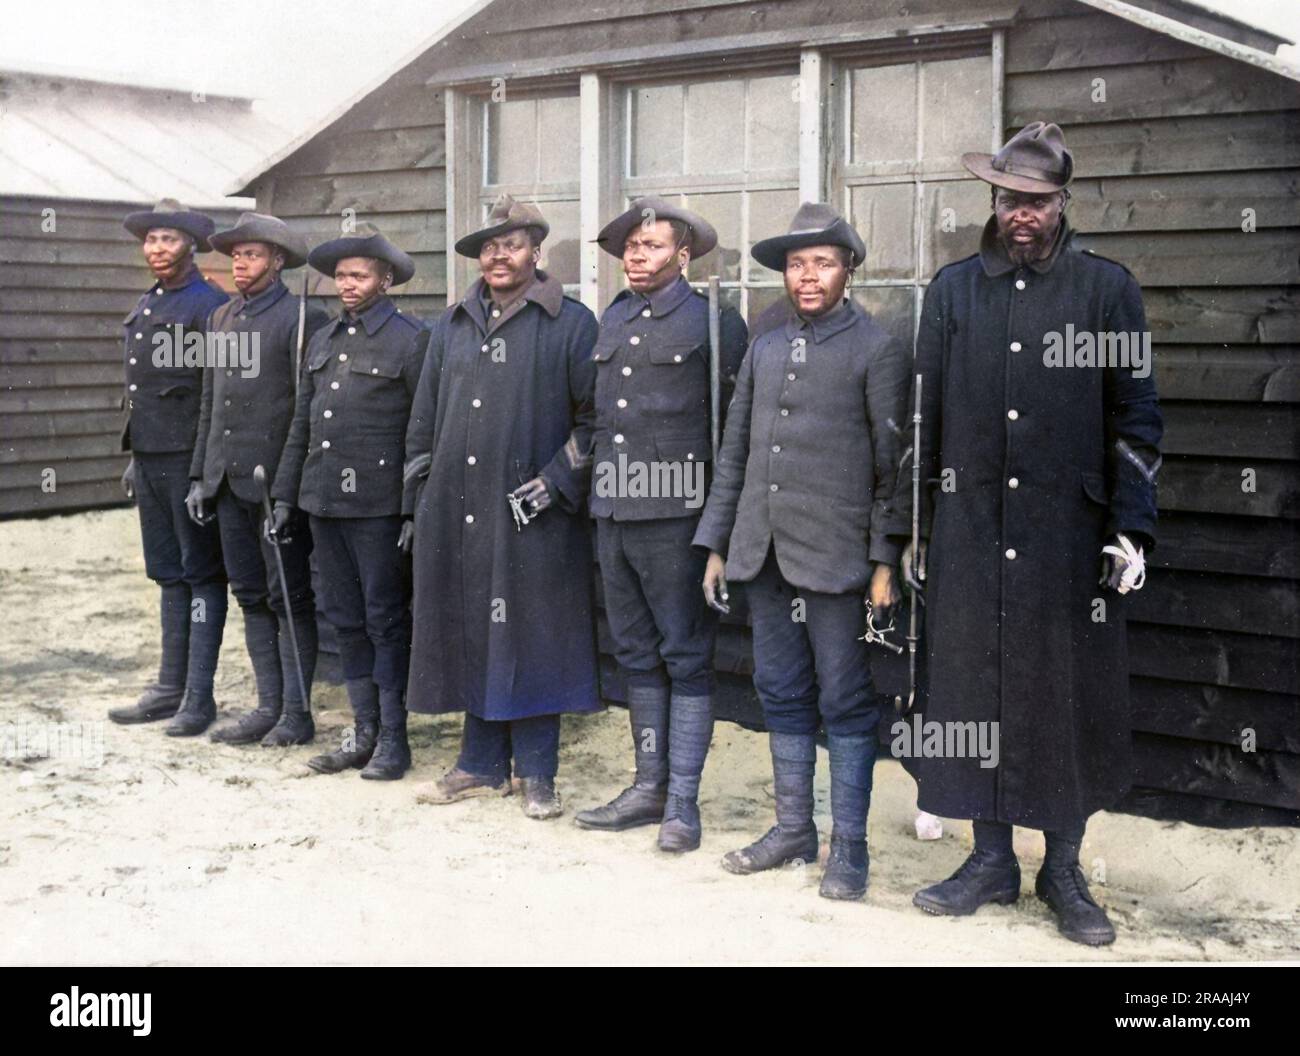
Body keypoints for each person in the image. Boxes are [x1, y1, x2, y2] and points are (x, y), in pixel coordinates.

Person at [897, 122, 1162, 946]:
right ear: (994, 200)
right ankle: (989, 862)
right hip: (971, 529)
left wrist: (1130, 528)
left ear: (1062, 205)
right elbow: (923, 418)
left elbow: (1137, 419)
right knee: (974, 691)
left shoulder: (1104, 291)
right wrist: (917, 529)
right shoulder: (953, 292)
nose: (1022, 215)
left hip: (1067, 539)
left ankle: (1063, 868)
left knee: (1062, 698)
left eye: (1038, 202)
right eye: (1010, 199)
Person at [694, 202, 907, 900]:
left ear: (848, 269)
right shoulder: (764, 347)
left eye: (822, 262)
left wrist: (883, 562)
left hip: (838, 563)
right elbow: (737, 455)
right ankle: (793, 830)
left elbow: (891, 466)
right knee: (779, 691)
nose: (807, 276)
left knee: (845, 701)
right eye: (795, 264)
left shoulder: (875, 349)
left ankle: (849, 850)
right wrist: (719, 544)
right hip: (765, 557)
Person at [405, 195, 600, 819]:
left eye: (511, 243)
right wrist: (420, 499)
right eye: (488, 245)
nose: (498, 254)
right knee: (470, 627)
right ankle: (479, 764)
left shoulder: (571, 324)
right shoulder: (452, 326)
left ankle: (538, 773)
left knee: (534, 635)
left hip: (532, 514)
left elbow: (595, 423)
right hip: (457, 513)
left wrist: (554, 483)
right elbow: (423, 422)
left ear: (535, 251)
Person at [574, 197, 747, 852]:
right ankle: (647, 786)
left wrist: (718, 529)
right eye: (630, 246)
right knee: (637, 653)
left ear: (683, 256)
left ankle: (682, 804)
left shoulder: (715, 322)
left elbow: (736, 430)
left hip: (676, 519)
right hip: (613, 511)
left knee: (685, 655)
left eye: (650, 246)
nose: (635, 255)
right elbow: (598, 417)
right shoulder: (613, 317)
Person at [272, 226, 426, 780]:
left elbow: (421, 433)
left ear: (385, 280)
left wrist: (411, 509)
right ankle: (361, 734)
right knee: (344, 619)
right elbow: (302, 424)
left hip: (380, 508)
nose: (347, 285)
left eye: (359, 275)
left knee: (385, 619)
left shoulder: (410, 341)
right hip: (325, 503)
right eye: (340, 275)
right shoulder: (323, 339)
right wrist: (287, 497)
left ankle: (393, 740)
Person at [186, 213, 328, 743]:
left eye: (253, 254)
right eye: (236, 255)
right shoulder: (219, 318)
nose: (241, 263)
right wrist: (202, 473)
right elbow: (210, 403)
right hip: (226, 483)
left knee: (287, 593)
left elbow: (307, 412)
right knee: (249, 593)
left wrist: (289, 489)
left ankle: (297, 713)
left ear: (278, 261)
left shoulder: (300, 320)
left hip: (274, 487)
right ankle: (268, 706)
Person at [108, 200, 229, 734]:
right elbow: (143, 392)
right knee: (167, 573)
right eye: (151, 239)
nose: (157, 249)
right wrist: (136, 456)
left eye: (169, 239)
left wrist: (204, 472)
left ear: (192, 246)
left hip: (189, 460)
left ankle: (198, 699)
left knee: (202, 575)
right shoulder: (150, 303)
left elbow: (215, 396)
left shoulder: (209, 306)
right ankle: (167, 688)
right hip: (153, 457)